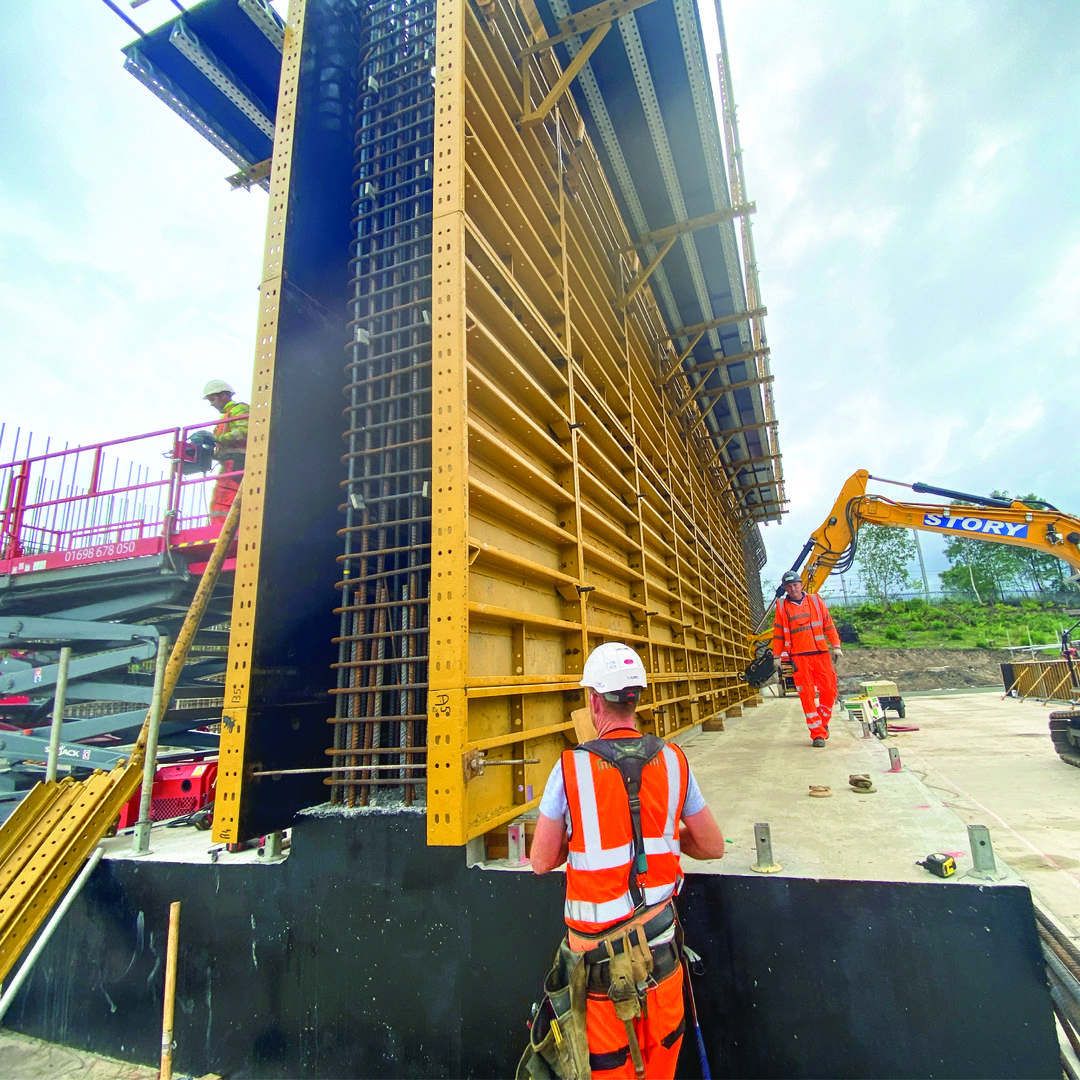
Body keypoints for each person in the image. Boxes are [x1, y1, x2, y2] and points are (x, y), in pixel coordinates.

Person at [526, 642, 726, 1080]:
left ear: (594, 701)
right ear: (637, 697)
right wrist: (665, 837)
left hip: (601, 978)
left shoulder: (570, 768)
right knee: (661, 1067)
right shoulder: (674, 760)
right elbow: (713, 846)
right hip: (662, 960)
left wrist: (576, 844)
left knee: (609, 1071)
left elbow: (540, 861)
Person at [772, 570, 842, 747]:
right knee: (807, 695)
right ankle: (817, 734)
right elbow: (779, 634)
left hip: (820, 654)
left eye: (795, 585)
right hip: (799, 658)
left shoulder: (816, 601)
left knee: (829, 691)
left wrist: (836, 646)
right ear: (785, 589)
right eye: (789, 586)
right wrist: (776, 656)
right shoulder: (782, 607)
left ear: (801, 585)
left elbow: (828, 624)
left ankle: (822, 722)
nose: (793, 589)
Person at [202, 379, 249, 520]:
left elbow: (244, 431)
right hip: (228, 463)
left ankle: (223, 530)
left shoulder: (239, 409)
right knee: (219, 498)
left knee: (226, 497)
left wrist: (216, 438)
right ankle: (220, 530)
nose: (212, 404)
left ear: (223, 395)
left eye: (212, 399)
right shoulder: (224, 417)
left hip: (238, 462)